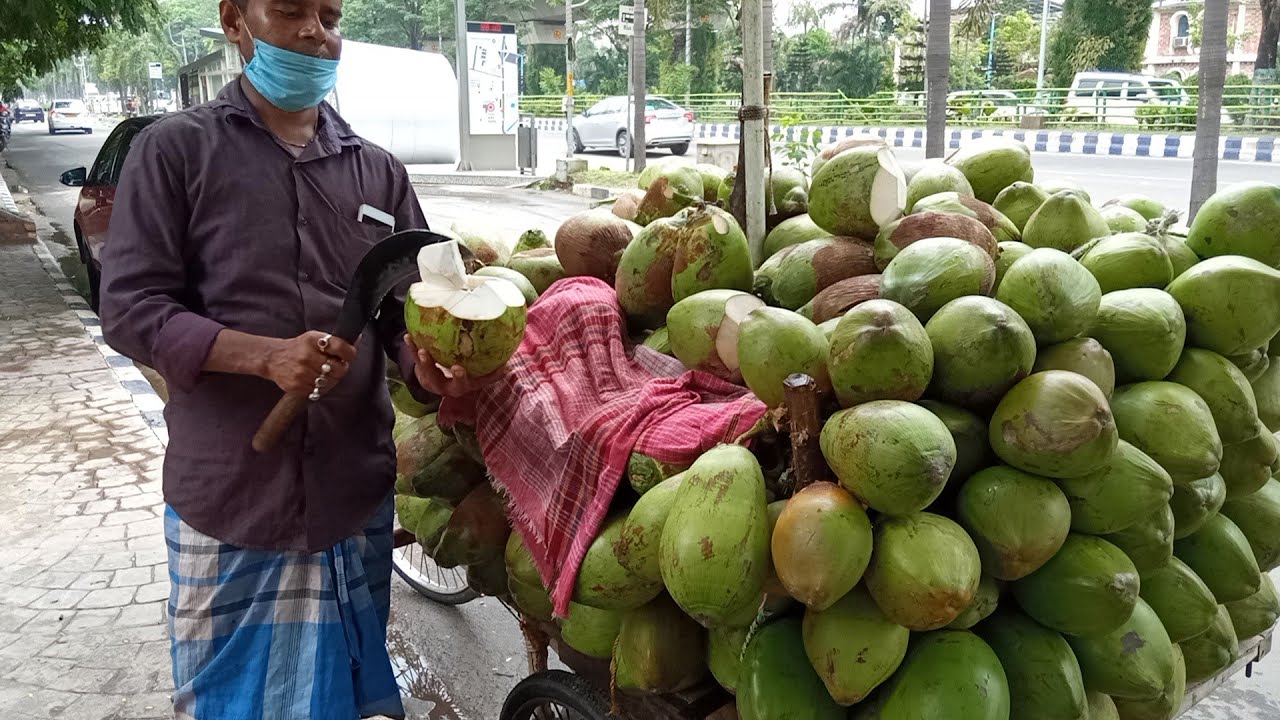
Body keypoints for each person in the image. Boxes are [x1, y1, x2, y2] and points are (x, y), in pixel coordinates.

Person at [100, 0, 496, 717]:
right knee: (231, 700)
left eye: (331, 15)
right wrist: (261, 358)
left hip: (352, 492)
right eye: (290, 11)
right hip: (234, 496)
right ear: (234, 20)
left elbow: (405, 310)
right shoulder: (175, 152)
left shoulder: (376, 171)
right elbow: (130, 308)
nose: (317, 32)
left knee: (346, 695)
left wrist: (424, 365)